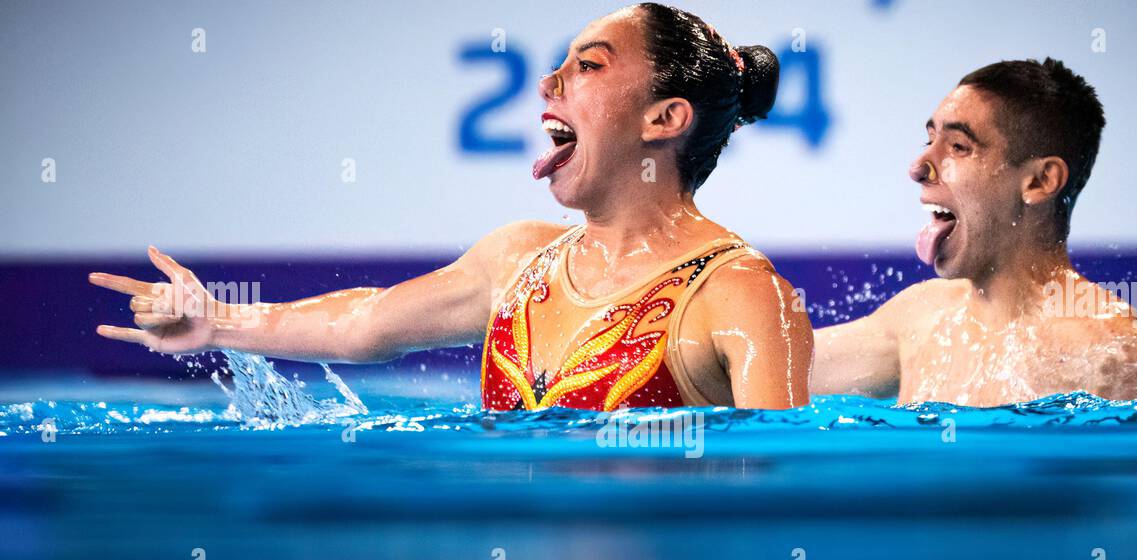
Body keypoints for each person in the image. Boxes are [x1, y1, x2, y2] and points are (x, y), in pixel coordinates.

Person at [91, 4, 813, 411]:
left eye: (588, 65)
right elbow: (365, 325)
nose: (548, 82)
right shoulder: (520, 259)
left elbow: (786, 499)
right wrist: (217, 320)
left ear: (664, 119)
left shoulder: (743, 296)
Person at [813, 58, 1137, 406]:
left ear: (1039, 181)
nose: (919, 167)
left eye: (959, 147)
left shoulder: (1117, 358)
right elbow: (766, 368)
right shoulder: (921, 319)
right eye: (930, 141)